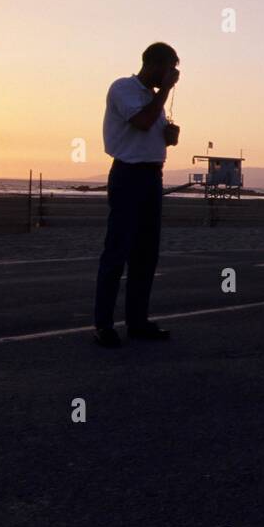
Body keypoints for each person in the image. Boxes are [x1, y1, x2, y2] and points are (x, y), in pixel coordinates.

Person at [92, 42, 181, 348]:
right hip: (128, 176)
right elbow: (141, 122)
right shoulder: (123, 88)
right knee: (117, 252)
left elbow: (149, 129)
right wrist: (165, 92)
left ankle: (137, 321)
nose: (174, 75)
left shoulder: (151, 98)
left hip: (151, 177)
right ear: (155, 64)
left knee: (145, 255)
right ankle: (103, 324)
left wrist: (168, 138)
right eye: (171, 68)